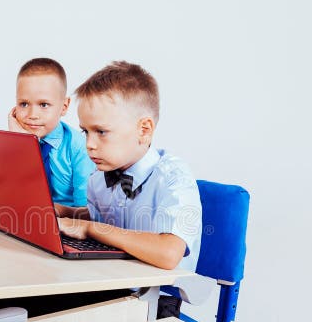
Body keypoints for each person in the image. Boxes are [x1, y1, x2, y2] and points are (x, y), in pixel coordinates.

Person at [56, 60, 202, 273]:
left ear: (144, 130)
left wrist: (90, 229)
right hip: (112, 279)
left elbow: (169, 254)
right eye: (85, 132)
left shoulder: (173, 178)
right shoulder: (98, 178)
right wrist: (64, 212)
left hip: (157, 294)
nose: (89, 144)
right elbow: (103, 219)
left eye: (101, 132)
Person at [8, 58, 94, 207]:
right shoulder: (12, 144)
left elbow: (86, 209)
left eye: (43, 104)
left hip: (70, 223)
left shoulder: (78, 147)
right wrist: (22, 144)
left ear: (64, 106)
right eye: (24, 104)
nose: (32, 114)